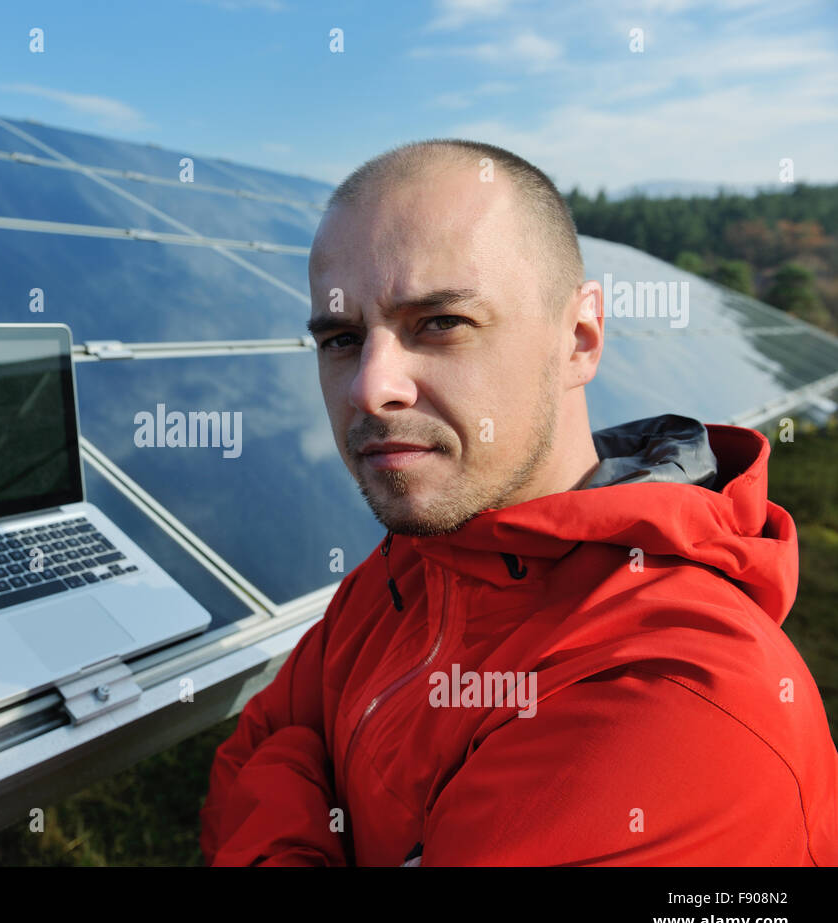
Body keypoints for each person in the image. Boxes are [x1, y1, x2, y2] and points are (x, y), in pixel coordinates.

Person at [199, 138, 838, 866]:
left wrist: (287, 773)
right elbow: (250, 742)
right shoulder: (410, 567)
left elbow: (261, 758)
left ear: (580, 338)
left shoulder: (672, 705)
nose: (370, 389)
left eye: (440, 323)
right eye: (342, 338)